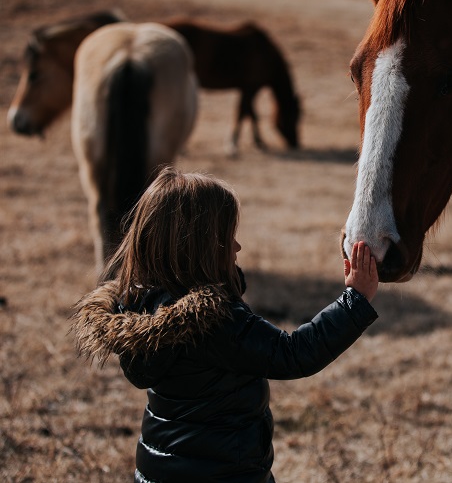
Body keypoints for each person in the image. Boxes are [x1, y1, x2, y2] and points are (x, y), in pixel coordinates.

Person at [71, 166, 379, 483]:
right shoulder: (212, 322)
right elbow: (293, 353)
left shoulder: (140, 306)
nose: (237, 247)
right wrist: (355, 300)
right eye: (227, 237)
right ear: (201, 247)